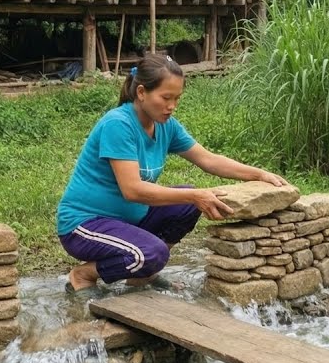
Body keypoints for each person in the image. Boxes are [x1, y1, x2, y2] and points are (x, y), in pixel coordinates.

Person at [56, 52, 289, 293]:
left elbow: (208, 159)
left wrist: (259, 174)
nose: (172, 106)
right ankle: (83, 275)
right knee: (152, 252)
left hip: (128, 220)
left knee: (186, 205)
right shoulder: (118, 125)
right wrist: (195, 196)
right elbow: (132, 190)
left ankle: (142, 275)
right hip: (85, 225)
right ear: (141, 92)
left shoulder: (165, 126)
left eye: (177, 98)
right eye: (166, 97)